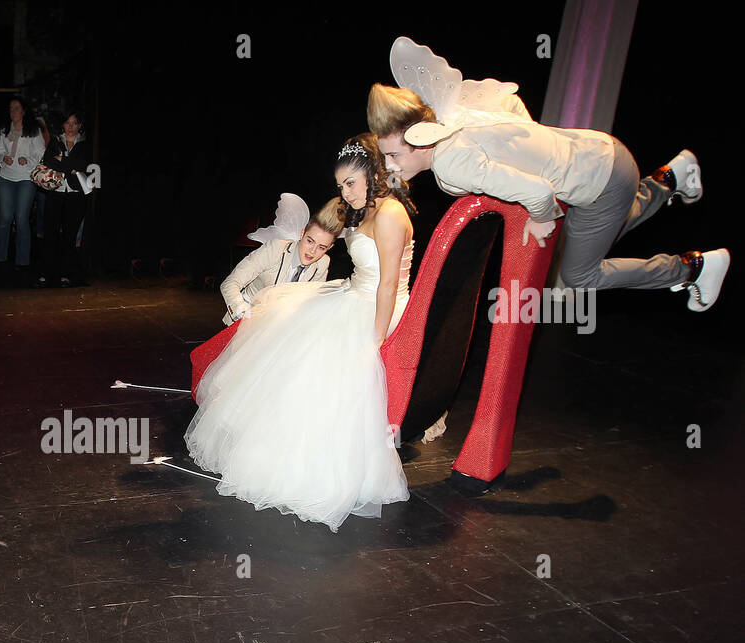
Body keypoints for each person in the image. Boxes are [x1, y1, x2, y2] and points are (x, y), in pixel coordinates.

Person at [369, 37, 729, 311]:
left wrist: (541, 218)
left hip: (602, 183)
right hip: (605, 152)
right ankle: (670, 178)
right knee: (598, 227)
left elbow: (539, 193)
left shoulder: (450, 165)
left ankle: (692, 268)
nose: (390, 165)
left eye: (393, 154)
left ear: (418, 141)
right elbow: (510, 102)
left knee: (577, 277)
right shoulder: (458, 116)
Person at [185, 135, 412, 530]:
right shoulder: (366, 211)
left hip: (377, 306)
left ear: (374, 174)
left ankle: (314, 466)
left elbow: (389, 285)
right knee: (291, 327)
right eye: (340, 185)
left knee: (312, 349)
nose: (345, 193)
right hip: (357, 293)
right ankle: (267, 439)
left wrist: (373, 339)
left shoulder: (390, 214)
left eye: (351, 183)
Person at [219, 193, 337, 326]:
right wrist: (244, 315)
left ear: (329, 247)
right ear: (302, 233)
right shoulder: (275, 249)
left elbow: (311, 303)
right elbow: (230, 283)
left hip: (278, 328)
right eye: (310, 241)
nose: (312, 251)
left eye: (321, 247)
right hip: (242, 321)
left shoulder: (322, 264)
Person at [36, 112, 91, 288]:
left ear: (80, 125)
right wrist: (71, 164)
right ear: (63, 125)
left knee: (69, 236)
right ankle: (46, 273)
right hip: (55, 191)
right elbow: (48, 162)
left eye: (74, 123)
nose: (70, 126)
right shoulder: (55, 141)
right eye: (67, 123)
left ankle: (66, 274)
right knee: (50, 234)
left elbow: (84, 165)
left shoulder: (85, 144)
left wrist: (63, 160)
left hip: (76, 194)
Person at [0, 97, 45, 270]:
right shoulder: (4, 129)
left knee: (22, 218)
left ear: (23, 111)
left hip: (25, 178)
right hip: (6, 177)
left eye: (16, 108)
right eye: (11, 108)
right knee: (5, 217)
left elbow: (40, 152)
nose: (13, 111)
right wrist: (2, 158)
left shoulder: (33, 129)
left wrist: (27, 160)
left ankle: (22, 260)